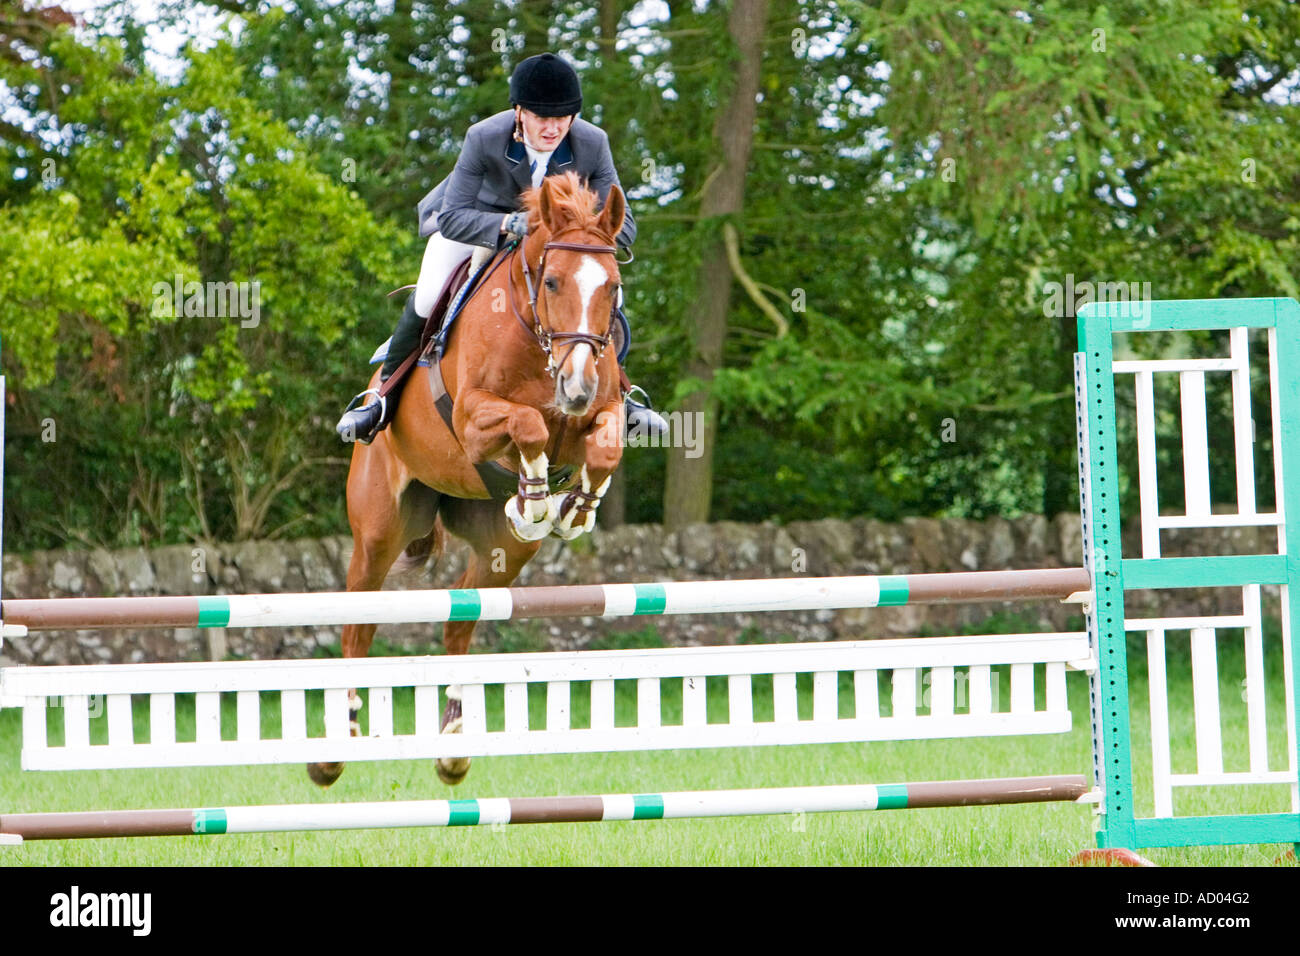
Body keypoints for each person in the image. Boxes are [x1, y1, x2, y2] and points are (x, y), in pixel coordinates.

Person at [336, 52, 666, 444]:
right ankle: (381, 398)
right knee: (427, 294)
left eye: (562, 118)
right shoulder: (484, 137)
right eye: (543, 118)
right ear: (519, 112)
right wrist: (510, 224)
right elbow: (453, 215)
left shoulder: (593, 143)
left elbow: (623, 224)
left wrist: (585, 235)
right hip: (480, 225)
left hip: (556, 241)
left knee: (603, 290)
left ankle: (624, 394)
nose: (553, 128)